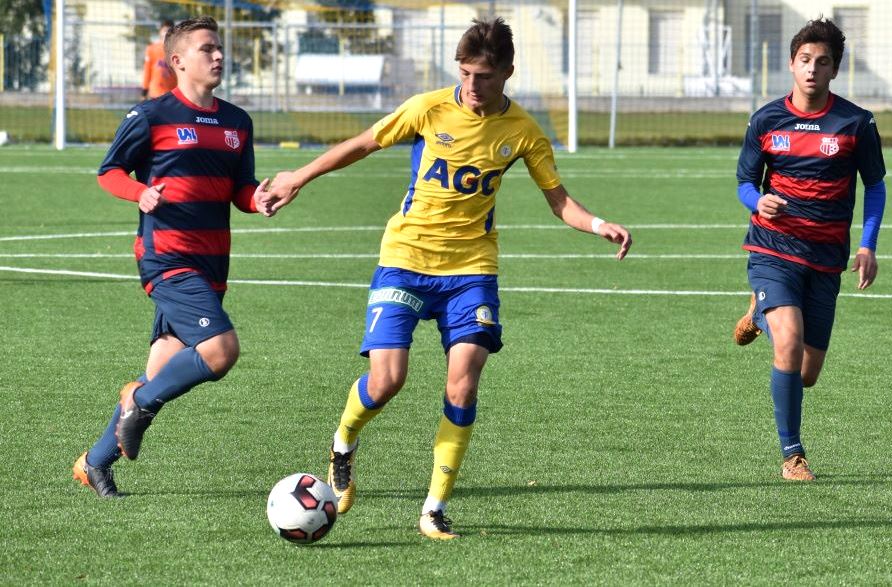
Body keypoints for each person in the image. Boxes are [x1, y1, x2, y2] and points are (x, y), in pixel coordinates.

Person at [259, 17, 632, 539]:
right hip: (405, 258)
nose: (472, 85)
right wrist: (297, 177)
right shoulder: (428, 108)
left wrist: (597, 224)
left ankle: (433, 508)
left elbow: (558, 200)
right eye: (465, 74)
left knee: (464, 381)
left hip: (471, 270)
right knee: (388, 380)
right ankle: (344, 441)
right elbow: (363, 143)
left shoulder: (523, 131)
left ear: (507, 73)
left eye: (484, 76)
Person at [73, 16, 270, 498]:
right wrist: (139, 193)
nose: (218, 56)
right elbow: (109, 171)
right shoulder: (151, 115)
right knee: (221, 350)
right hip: (167, 258)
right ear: (178, 61)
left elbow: (240, 189)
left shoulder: (237, 121)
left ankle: (94, 463)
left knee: (162, 370)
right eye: (207, 49)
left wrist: (259, 199)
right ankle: (138, 401)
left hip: (213, 261)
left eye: (220, 48)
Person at [732, 17, 886, 481]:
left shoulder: (856, 122)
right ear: (791, 64)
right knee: (789, 342)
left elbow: (875, 186)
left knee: (806, 373)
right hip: (772, 249)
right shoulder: (766, 120)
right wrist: (759, 201)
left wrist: (867, 245)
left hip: (825, 258)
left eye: (822, 62)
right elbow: (745, 182)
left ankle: (759, 314)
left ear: (834, 69)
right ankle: (792, 454)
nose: (812, 69)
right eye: (805, 60)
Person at [142, 19, 177, 99]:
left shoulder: (177, 50)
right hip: (155, 93)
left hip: (172, 94)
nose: (166, 33)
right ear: (160, 32)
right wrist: (144, 90)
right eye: (164, 30)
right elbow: (147, 71)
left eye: (169, 31)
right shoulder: (152, 49)